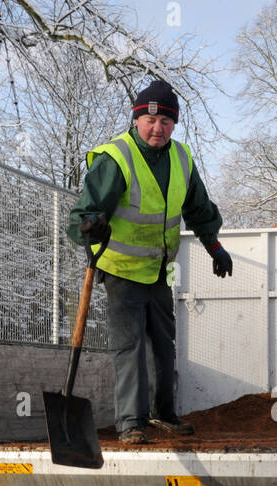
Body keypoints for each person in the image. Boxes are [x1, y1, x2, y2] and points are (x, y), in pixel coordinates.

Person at [67, 79, 233, 444]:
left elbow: (199, 208)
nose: (157, 129)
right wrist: (90, 226)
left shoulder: (182, 158)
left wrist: (214, 246)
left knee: (163, 342)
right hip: (121, 271)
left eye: (166, 123)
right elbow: (83, 212)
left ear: (174, 125)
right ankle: (130, 423)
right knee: (130, 345)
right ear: (137, 119)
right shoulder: (117, 157)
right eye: (150, 121)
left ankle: (163, 414)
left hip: (159, 271)